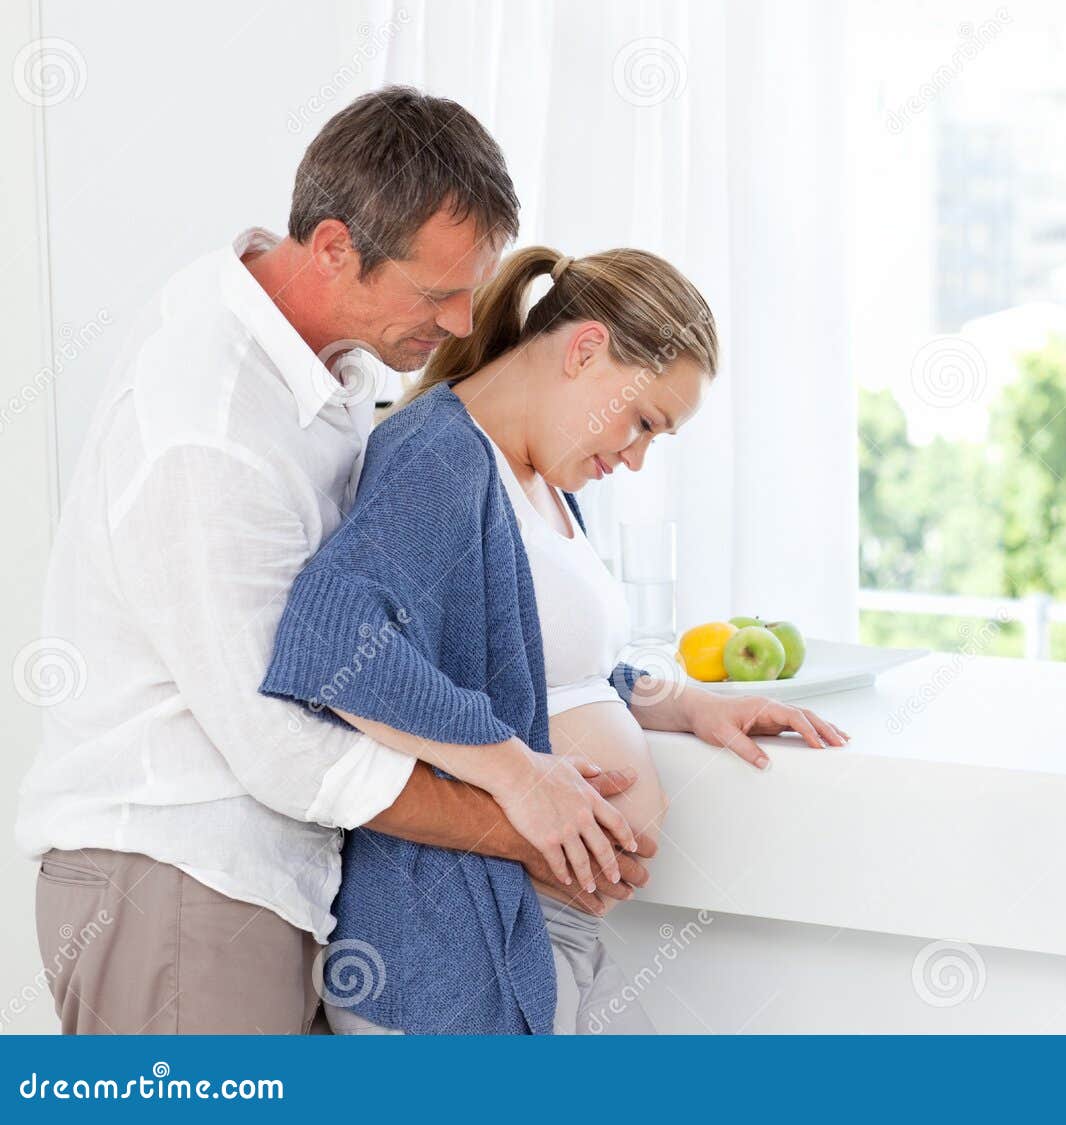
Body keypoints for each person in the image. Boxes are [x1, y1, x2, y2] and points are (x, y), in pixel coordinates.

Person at [15, 87, 652, 1034]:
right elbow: (281, 742)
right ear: (331, 248)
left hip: (261, 888)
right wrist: (522, 811)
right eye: (437, 294)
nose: (458, 322)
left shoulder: (333, 377)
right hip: (182, 880)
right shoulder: (213, 426)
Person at [260, 245, 850, 1034]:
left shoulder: (550, 481)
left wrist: (688, 703)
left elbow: (561, 670)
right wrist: (521, 775)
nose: (637, 458)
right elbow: (334, 644)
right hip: (451, 942)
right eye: (644, 421)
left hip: (547, 928)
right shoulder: (439, 456)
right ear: (585, 349)